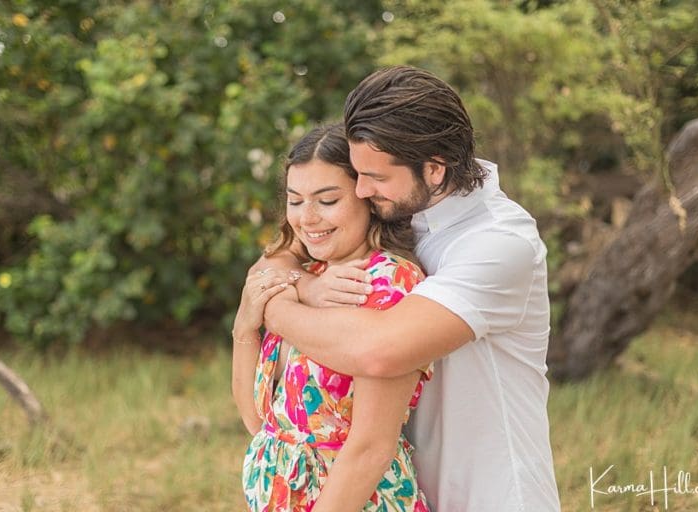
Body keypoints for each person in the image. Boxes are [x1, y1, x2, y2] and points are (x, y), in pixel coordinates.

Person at [258, 66, 562, 511]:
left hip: (488, 493)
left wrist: (273, 307)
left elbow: (379, 352)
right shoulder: (402, 206)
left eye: (374, 177)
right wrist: (302, 282)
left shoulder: (499, 243)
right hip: (403, 491)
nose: (361, 190)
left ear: (435, 169)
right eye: (357, 175)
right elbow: (286, 245)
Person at [232, 123, 431, 511]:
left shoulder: (389, 282)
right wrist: (244, 326)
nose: (307, 219)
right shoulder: (304, 276)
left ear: (367, 198)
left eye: (326, 201)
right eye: (295, 200)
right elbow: (263, 422)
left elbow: (371, 448)